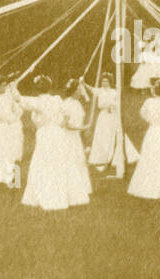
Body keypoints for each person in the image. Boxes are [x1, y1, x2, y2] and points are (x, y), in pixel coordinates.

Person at [14, 76, 75, 210]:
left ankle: (46, 196)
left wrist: (13, 85)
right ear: (50, 87)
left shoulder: (36, 102)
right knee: (57, 163)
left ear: (37, 89)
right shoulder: (57, 99)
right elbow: (68, 113)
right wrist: (61, 124)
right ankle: (60, 195)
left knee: (43, 162)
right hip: (58, 133)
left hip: (45, 134)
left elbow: (18, 98)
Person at [87, 73, 139, 168]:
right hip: (103, 116)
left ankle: (116, 155)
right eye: (103, 81)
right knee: (102, 134)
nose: (104, 83)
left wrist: (113, 105)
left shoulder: (114, 92)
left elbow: (118, 103)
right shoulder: (100, 91)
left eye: (106, 81)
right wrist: (83, 83)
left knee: (113, 134)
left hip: (112, 116)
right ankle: (101, 157)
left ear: (110, 82)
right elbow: (91, 89)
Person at [61, 80, 94, 205]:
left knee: (79, 161)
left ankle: (82, 188)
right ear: (74, 91)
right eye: (80, 89)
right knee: (71, 161)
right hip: (68, 138)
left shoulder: (78, 104)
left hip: (76, 137)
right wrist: (83, 128)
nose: (81, 92)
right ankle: (70, 189)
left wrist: (85, 131)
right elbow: (66, 125)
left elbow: (79, 120)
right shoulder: (66, 104)